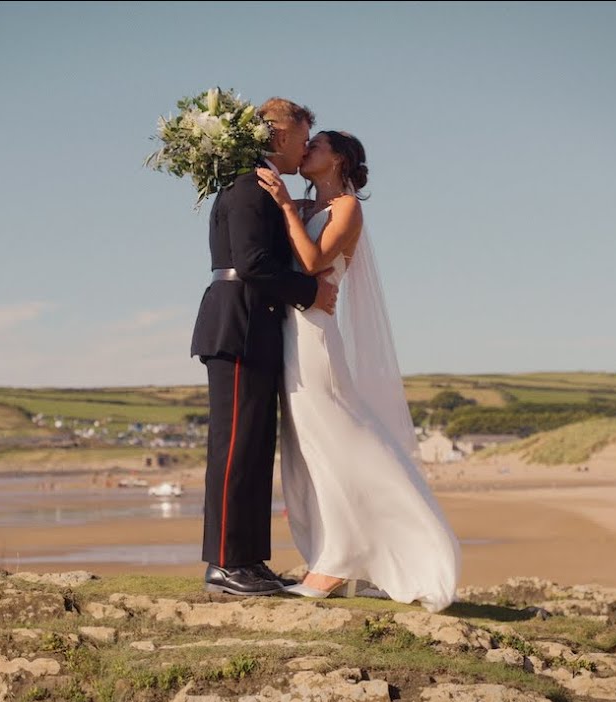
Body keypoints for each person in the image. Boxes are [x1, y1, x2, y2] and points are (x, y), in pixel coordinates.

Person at [256, 131, 460, 612]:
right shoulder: (305, 208)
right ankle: (333, 557)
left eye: (317, 146)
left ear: (340, 159)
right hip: (287, 335)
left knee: (337, 443)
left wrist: (286, 207)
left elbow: (310, 262)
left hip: (314, 340)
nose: (306, 151)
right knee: (307, 449)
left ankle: (341, 562)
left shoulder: (346, 209)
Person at [189, 98, 339, 596]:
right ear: (279, 137)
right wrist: (310, 292)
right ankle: (225, 564)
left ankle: (248, 561)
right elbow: (253, 263)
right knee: (234, 449)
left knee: (254, 447)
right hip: (239, 324)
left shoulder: (264, 188)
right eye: (300, 139)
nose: (303, 150)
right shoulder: (251, 186)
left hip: (255, 325)